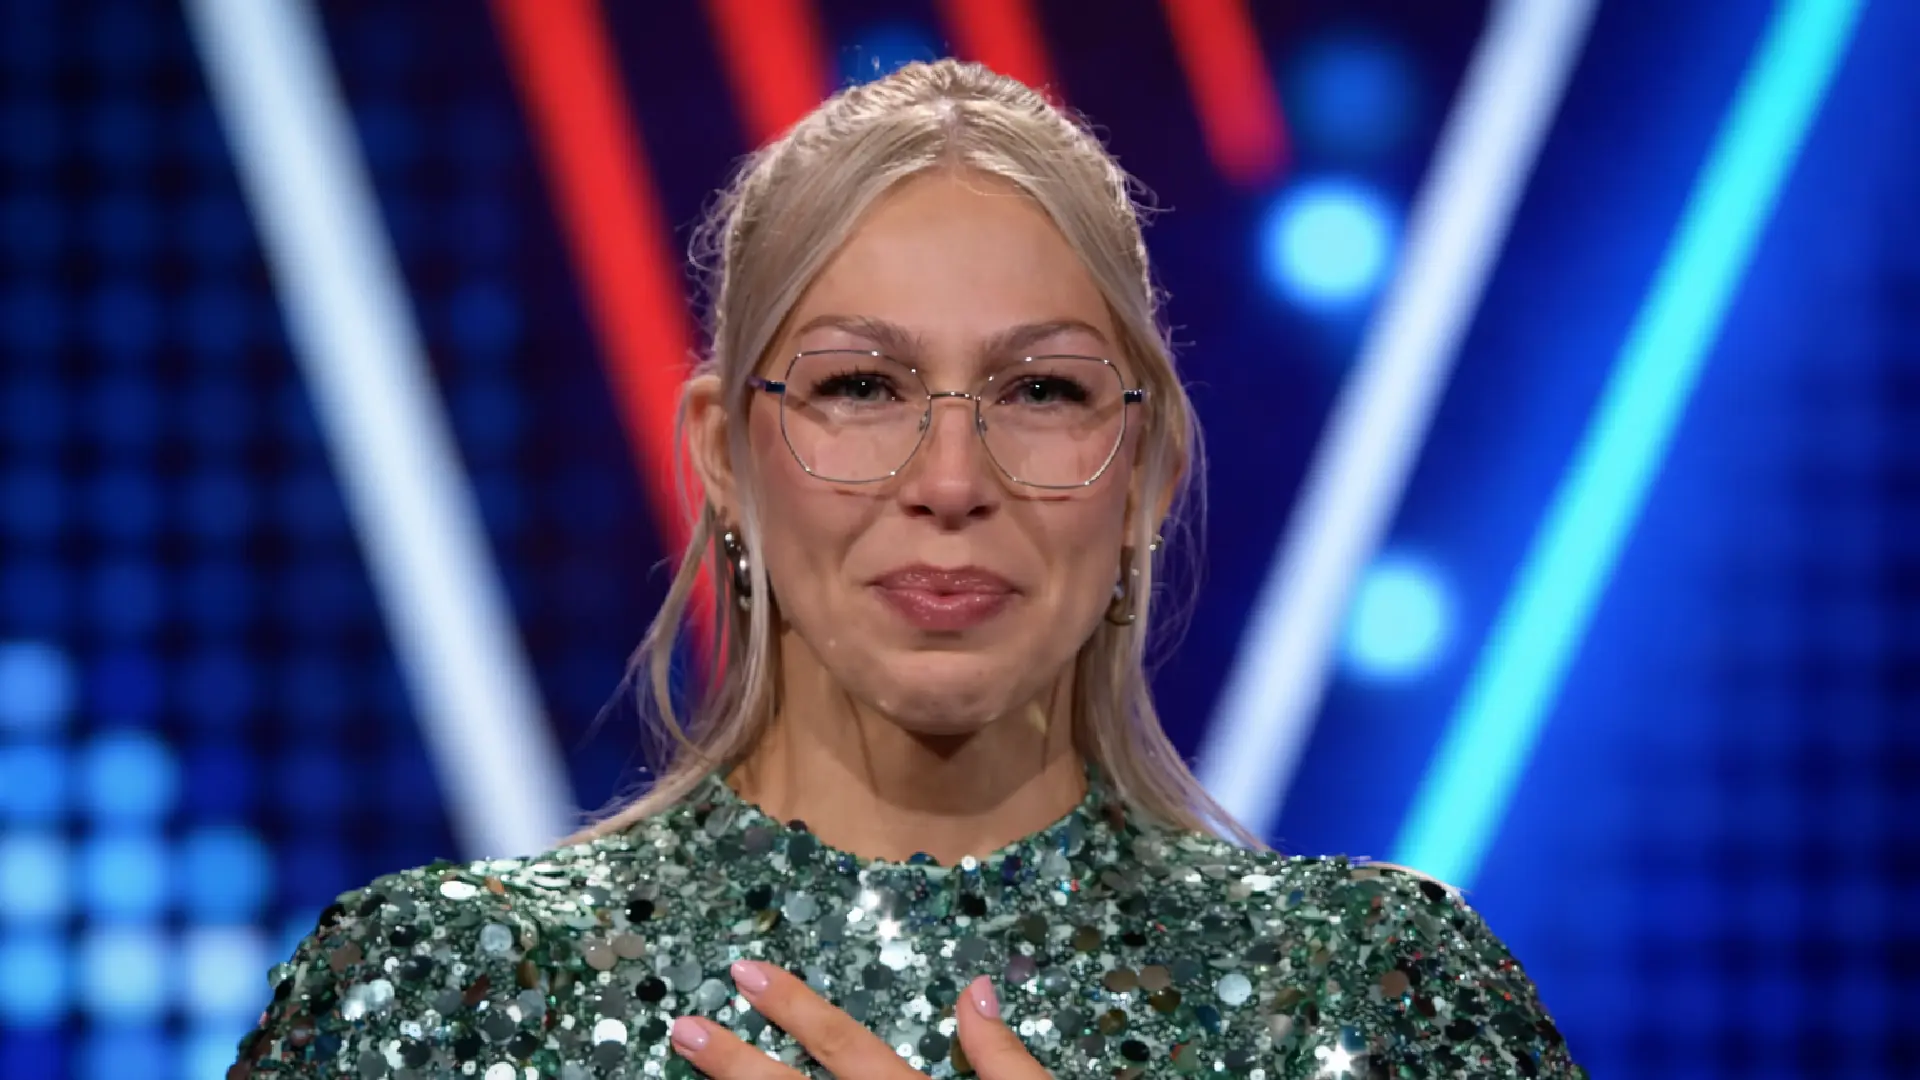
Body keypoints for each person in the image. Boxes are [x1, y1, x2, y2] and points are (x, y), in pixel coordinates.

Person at [230, 59, 1584, 1080]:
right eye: (862, 387)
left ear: (1149, 468)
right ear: (724, 455)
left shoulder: (1381, 1004)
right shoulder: (441, 1003)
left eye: (1041, 391)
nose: (948, 480)